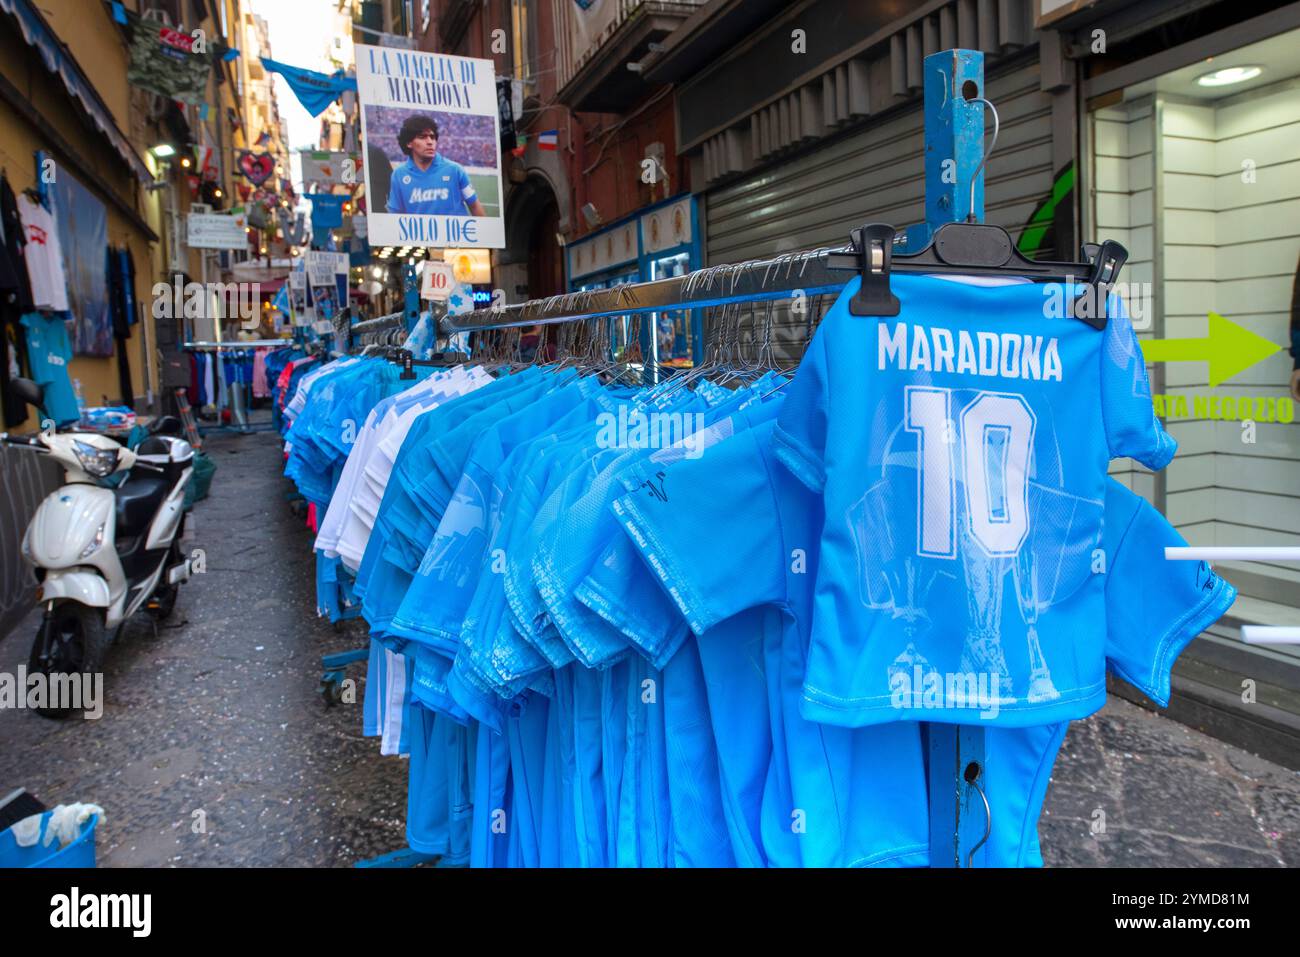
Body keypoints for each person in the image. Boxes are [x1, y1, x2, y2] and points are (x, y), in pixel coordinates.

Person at [387, 116, 486, 217]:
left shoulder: (455, 170)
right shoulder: (399, 175)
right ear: (409, 143)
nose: (430, 142)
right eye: (422, 137)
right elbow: (395, 214)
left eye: (432, 137)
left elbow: (475, 206)